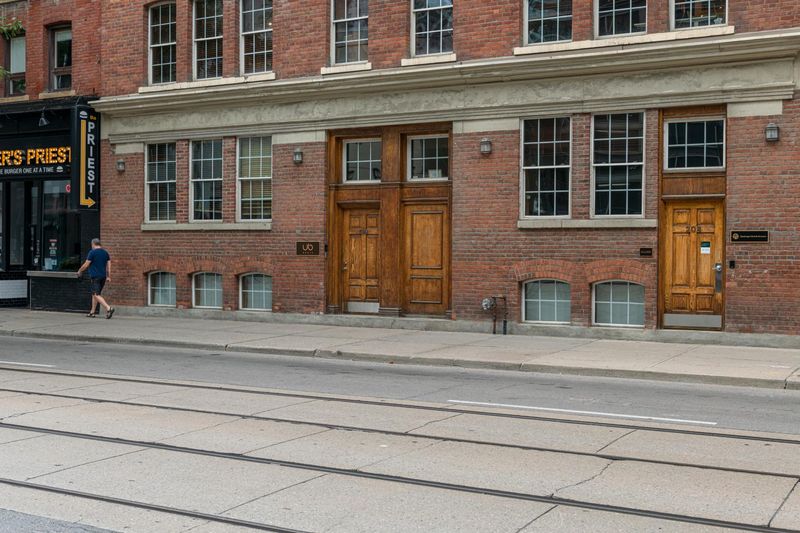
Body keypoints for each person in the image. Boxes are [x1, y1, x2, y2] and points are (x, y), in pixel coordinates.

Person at [77, 238, 115, 319]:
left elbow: (86, 264)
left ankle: (109, 308)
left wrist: (80, 271)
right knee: (95, 294)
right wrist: (108, 276)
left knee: (96, 294)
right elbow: (109, 266)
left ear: (93, 244)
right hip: (103, 277)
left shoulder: (92, 252)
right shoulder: (105, 253)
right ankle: (92, 312)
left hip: (95, 277)